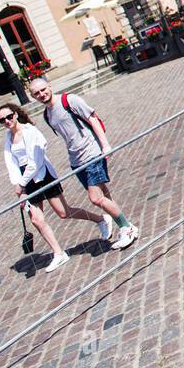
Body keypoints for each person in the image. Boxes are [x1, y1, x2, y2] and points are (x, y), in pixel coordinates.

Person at [28, 77, 138, 249]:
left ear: (49, 86)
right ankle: (120, 224)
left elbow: (92, 118)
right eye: (37, 93)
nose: (42, 94)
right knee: (104, 195)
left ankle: (127, 227)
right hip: (76, 161)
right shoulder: (46, 115)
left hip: (92, 154)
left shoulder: (69, 100)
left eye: (43, 89)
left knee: (95, 198)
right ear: (33, 97)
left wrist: (105, 145)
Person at [0, 103, 111, 272]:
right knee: (36, 219)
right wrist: (19, 187)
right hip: (25, 180)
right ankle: (58, 253)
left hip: (42, 175)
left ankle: (101, 219)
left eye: (9, 117)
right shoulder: (8, 137)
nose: (7, 121)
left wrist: (21, 184)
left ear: (15, 114)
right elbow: (12, 164)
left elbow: (35, 160)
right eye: (2, 120)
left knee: (64, 212)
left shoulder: (30, 131)